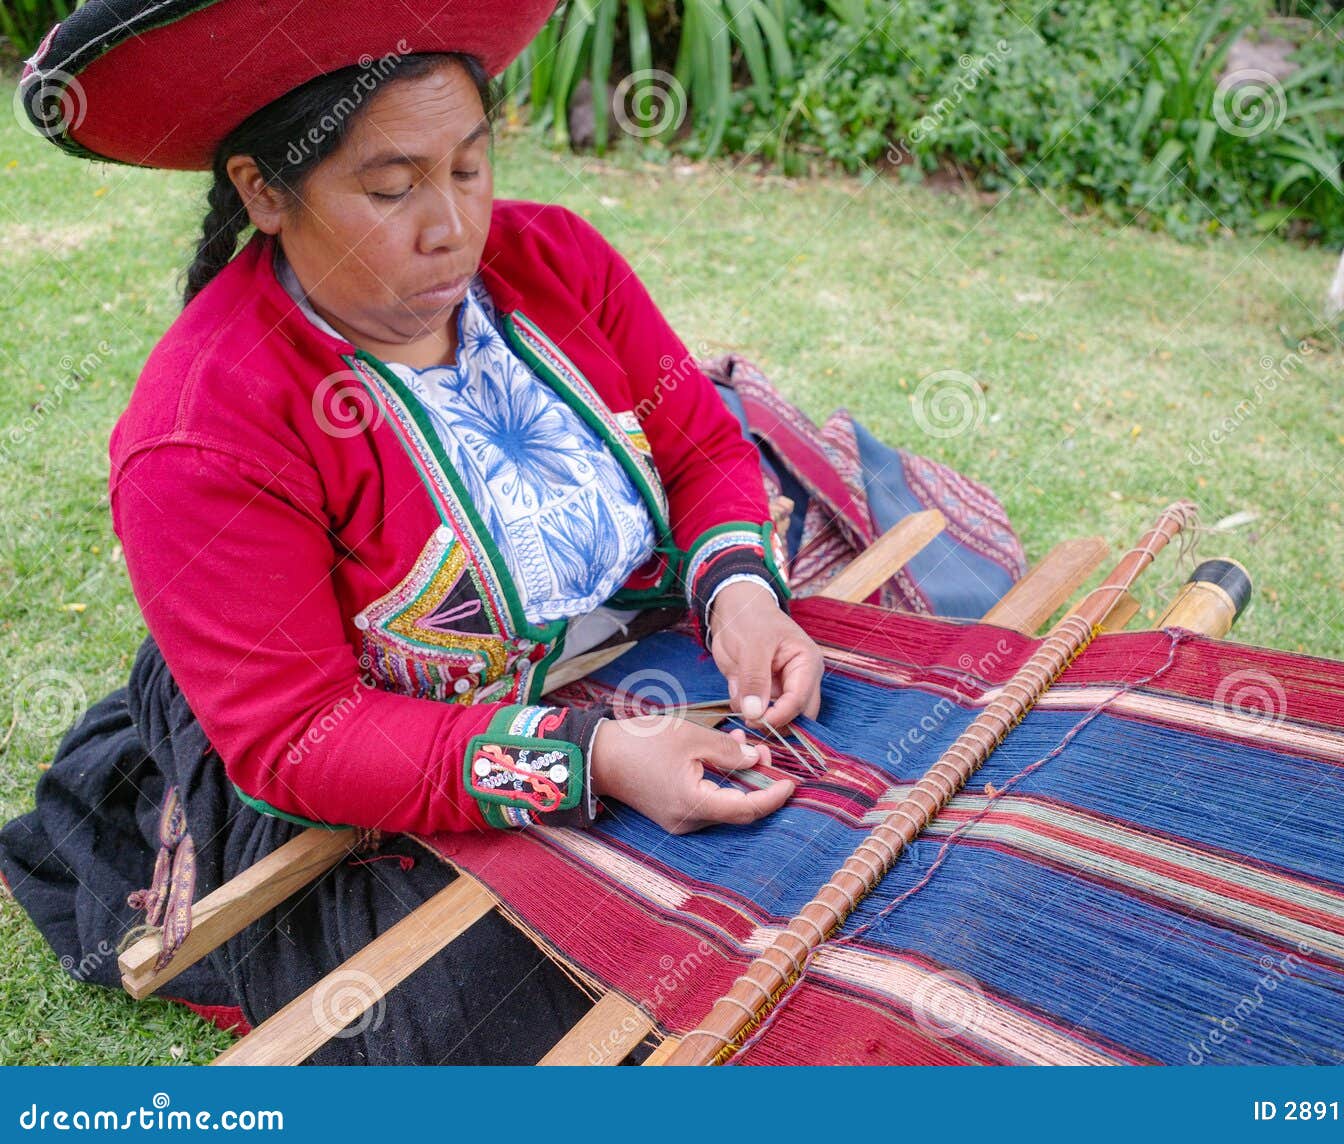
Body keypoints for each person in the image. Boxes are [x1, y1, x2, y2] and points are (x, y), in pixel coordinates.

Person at [0, 0, 822, 1062]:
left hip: (622, 653)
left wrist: (741, 596)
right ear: (263, 190)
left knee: (832, 774)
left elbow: (703, 449)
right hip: (365, 775)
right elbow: (302, 733)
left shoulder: (556, 261)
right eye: (392, 188)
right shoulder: (203, 432)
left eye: (470, 168)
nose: (453, 226)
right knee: (536, 999)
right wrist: (597, 758)